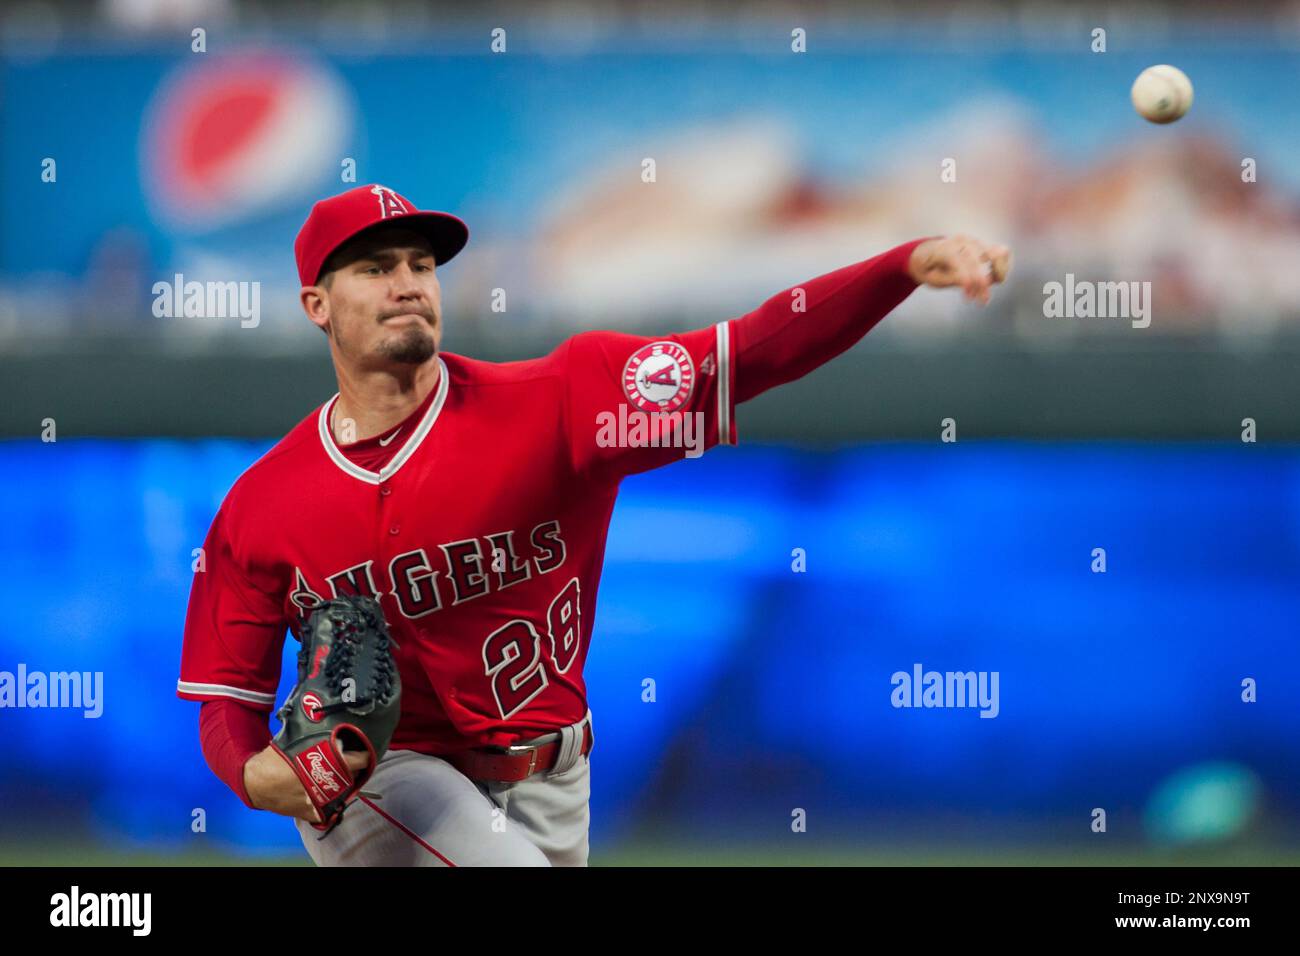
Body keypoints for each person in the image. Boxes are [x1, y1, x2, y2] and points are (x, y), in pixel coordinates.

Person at [178, 183, 1010, 866]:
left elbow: (747, 352)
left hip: (555, 779)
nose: (406, 282)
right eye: (373, 267)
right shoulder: (264, 502)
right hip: (387, 780)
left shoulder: (565, 401)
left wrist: (902, 266)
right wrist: (256, 777)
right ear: (316, 304)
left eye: (420, 263)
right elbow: (227, 699)